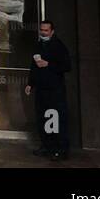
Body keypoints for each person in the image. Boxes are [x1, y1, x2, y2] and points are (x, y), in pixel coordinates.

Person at [26, 19, 72, 160]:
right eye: (42, 30)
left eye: (46, 30)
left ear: (52, 31)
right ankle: (47, 146)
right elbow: (33, 66)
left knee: (56, 119)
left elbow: (67, 66)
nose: (43, 32)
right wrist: (30, 83)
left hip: (55, 90)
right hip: (41, 89)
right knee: (43, 118)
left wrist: (48, 64)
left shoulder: (58, 46)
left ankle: (60, 149)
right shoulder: (39, 45)